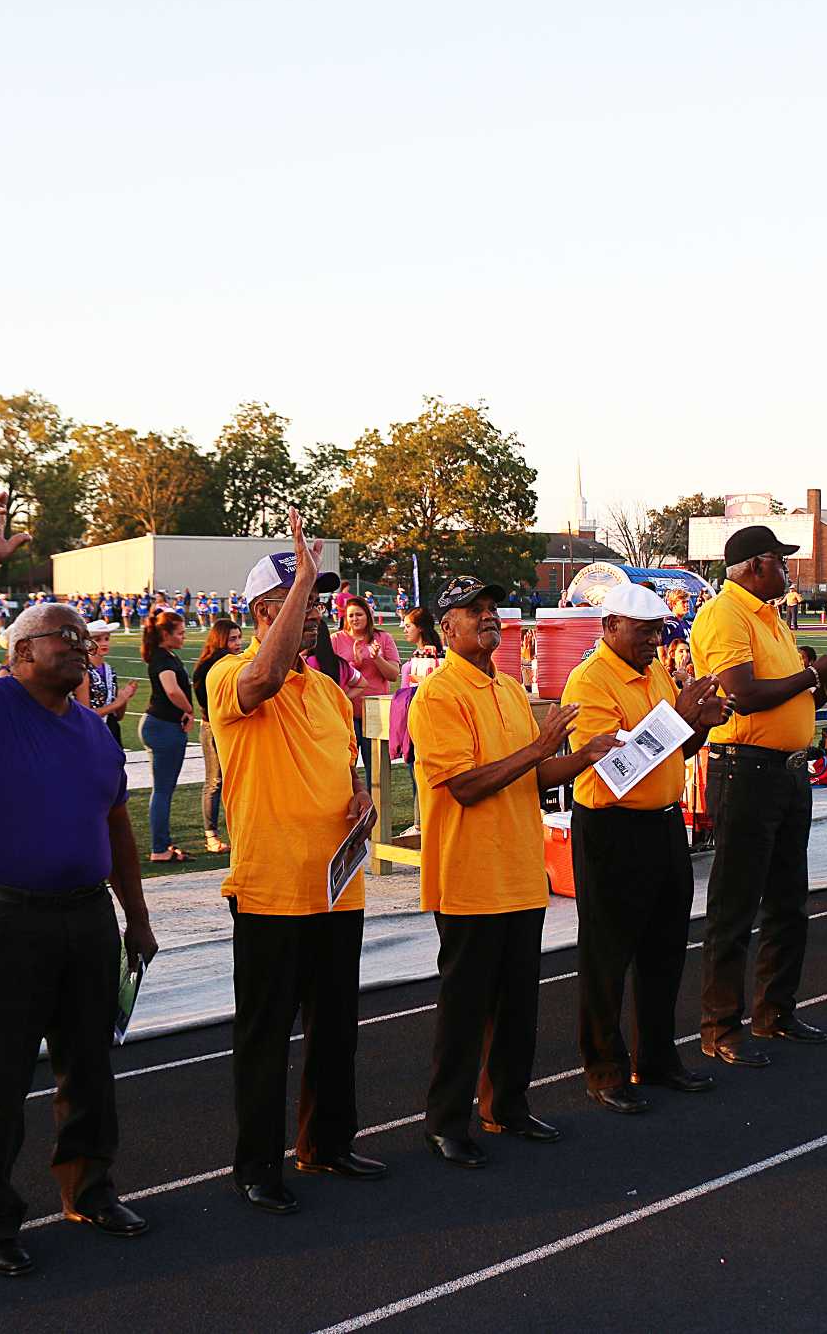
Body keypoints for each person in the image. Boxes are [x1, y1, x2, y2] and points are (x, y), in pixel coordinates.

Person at [0, 493, 159, 1277]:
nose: (83, 645)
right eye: (67, 635)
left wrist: (136, 917)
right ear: (21, 652)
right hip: (5, 920)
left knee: (88, 1066)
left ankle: (89, 1189)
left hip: (87, 919)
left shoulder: (94, 731)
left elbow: (117, 829)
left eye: (85, 637)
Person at [208, 515, 389, 1213]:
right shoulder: (231, 674)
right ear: (263, 611)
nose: (315, 611)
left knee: (336, 1031)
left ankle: (327, 1143)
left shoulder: (326, 690)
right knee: (264, 1038)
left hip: (337, 889)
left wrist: (362, 794)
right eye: (301, 600)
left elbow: (347, 764)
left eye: (316, 600)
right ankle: (258, 1165)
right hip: (271, 891)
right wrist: (303, 576)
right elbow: (261, 679)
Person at [410, 575, 616, 1166]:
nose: (488, 617)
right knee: (465, 1010)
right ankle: (447, 1123)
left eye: (492, 609)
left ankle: (507, 1105)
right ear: (446, 627)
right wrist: (540, 748)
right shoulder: (439, 694)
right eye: (472, 610)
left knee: (518, 1005)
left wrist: (582, 757)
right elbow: (465, 786)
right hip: (470, 875)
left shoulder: (504, 687)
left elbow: (532, 775)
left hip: (521, 871)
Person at [561, 583, 728, 1113]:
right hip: (613, 827)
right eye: (644, 631)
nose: (655, 641)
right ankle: (604, 1068)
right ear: (610, 625)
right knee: (608, 954)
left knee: (665, 947)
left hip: (663, 822)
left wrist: (699, 724)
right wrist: (679, 715)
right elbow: (617, 769)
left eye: (659, 631)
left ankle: (656, 1057)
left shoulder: (652, 670)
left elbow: (672, 749)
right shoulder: (589, 681)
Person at [690, 525, 827, 1063]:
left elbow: (789, 695)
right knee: (735, 905)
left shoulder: (770, 618)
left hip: (785, 771)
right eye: (781, 561)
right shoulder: (725, 614)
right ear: (757, 565)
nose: (787, 570)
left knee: (788, 900)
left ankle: (775, 1011)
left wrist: (826, 679)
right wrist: (809, 676)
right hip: (746, 770)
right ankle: (720, 1027)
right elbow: (744, 694)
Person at [138, 610, 195, 864]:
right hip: (162, 727)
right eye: (180, 633)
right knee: (162, 790)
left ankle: (163, 844)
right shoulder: (162, 658)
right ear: (165, 634)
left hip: (161, 725)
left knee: (164, 789)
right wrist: (189, 709)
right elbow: (171, 690)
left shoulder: (166, 655)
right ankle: (159, 848)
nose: (183, 637)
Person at [333, 596, 400, 791]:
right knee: (345, 768)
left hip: (375, 712)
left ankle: (376, 807)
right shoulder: (336, 639)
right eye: (351, 615)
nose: (355, 619)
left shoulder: (383, 638)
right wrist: (354, 663)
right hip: (346, 712)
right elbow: (331, 676)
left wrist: (376, 658)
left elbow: (393, 675)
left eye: (359, 614)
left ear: (368, 616)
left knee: (377, 771)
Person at [193, 619, 241, 853]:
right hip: (213, 727)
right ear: (220, 640)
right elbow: (204, 700)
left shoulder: (234, 662)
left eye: (239, 637)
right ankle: (211, 835)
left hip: (232, 728)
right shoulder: (209, 665)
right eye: (232, 639)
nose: (238, 643)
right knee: (214, 781)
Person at [73, 621, 137, 747]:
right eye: (98, 639)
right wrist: (117, 703)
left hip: (111, 731)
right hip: (91, 734)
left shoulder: (110, 671)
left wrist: (124, 698)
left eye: (107, 639)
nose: (104, 643)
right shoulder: (83, 672)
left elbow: (118, 716)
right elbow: (85, 715)